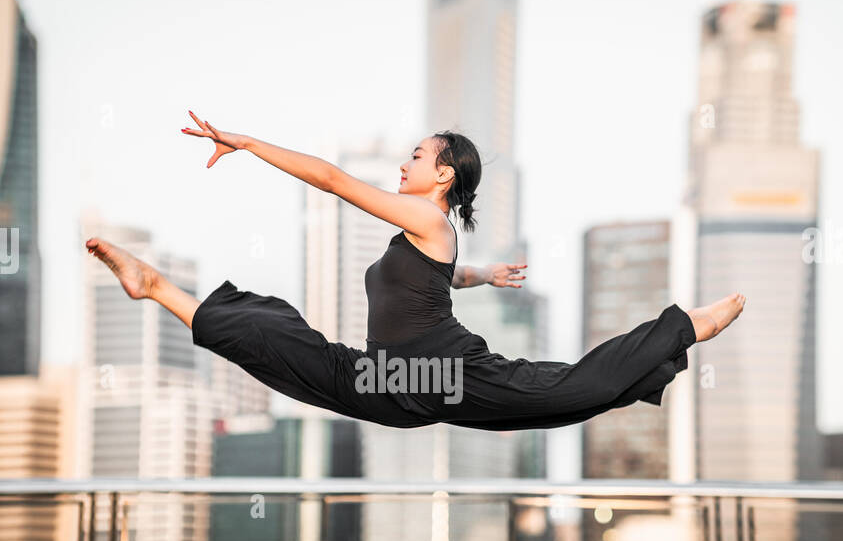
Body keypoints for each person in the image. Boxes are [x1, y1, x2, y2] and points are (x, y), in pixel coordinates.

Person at [86, 113, 745, 432]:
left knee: (561, 392)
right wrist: (481, 274)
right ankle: (154, 286)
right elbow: (437, 282)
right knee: (273, 341)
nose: (404, 164)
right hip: (386, 379)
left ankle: (681, 326)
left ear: (443, 174)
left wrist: (248, 142)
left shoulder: (427, 222)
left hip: (444, 372)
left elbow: (333, 179)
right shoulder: (428, 238)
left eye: (415, 156)